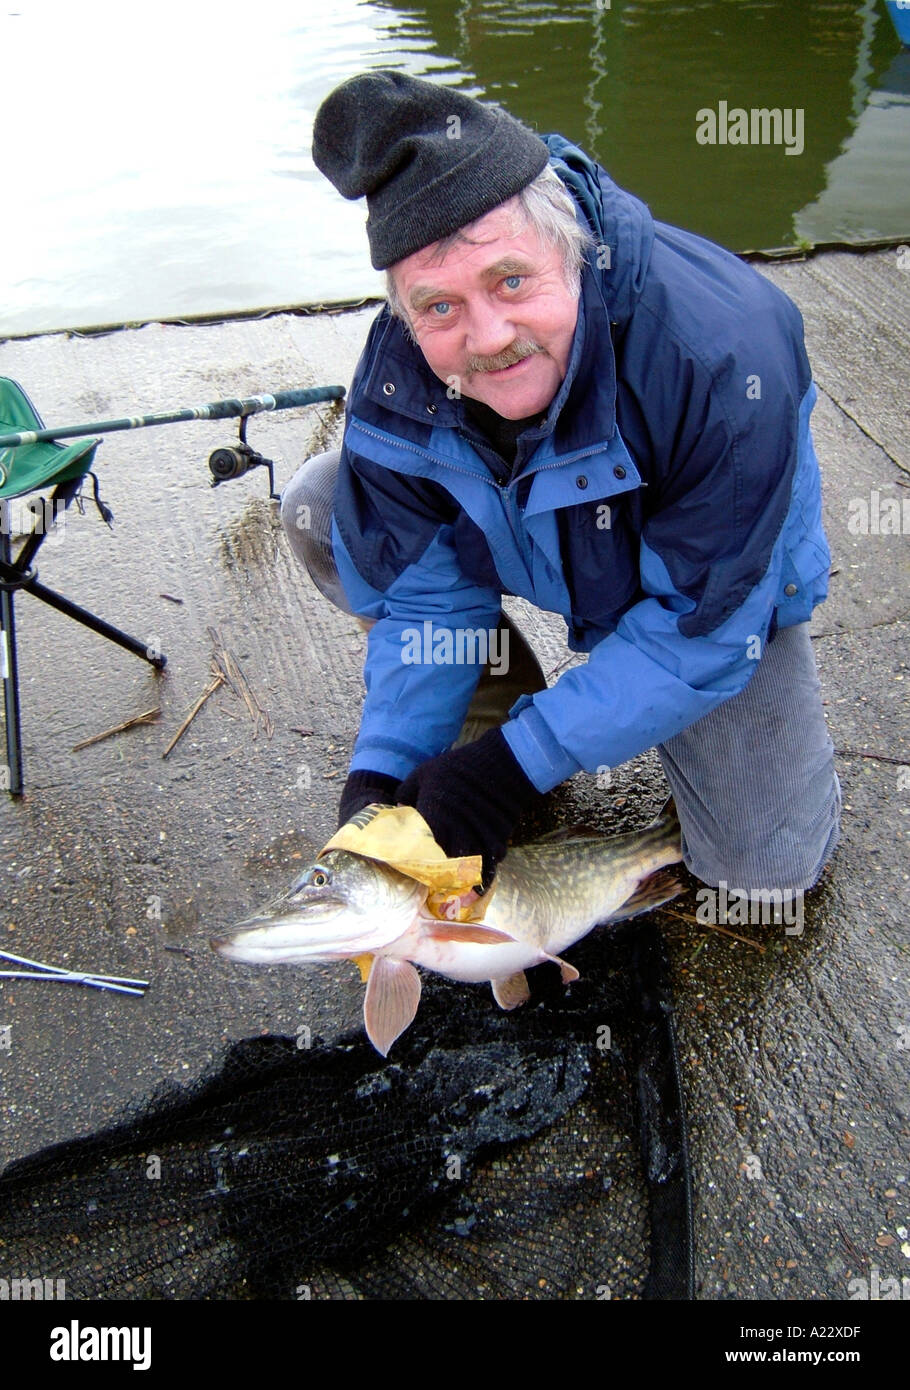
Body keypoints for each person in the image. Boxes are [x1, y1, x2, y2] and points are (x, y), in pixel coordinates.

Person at [281, 69, 841, 901]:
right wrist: (383, 766)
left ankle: (534, 735)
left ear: (570, 243)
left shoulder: (722, 357)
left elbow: (704, 627)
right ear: (402, 307)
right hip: (553, 546)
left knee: (761, 880)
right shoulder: (401, 372)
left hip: (709, 596)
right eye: (440, 306)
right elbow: (424, 594)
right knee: (329, 509)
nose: (490, 337)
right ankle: (492, 696)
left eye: (511, 281)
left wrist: (515, 770)